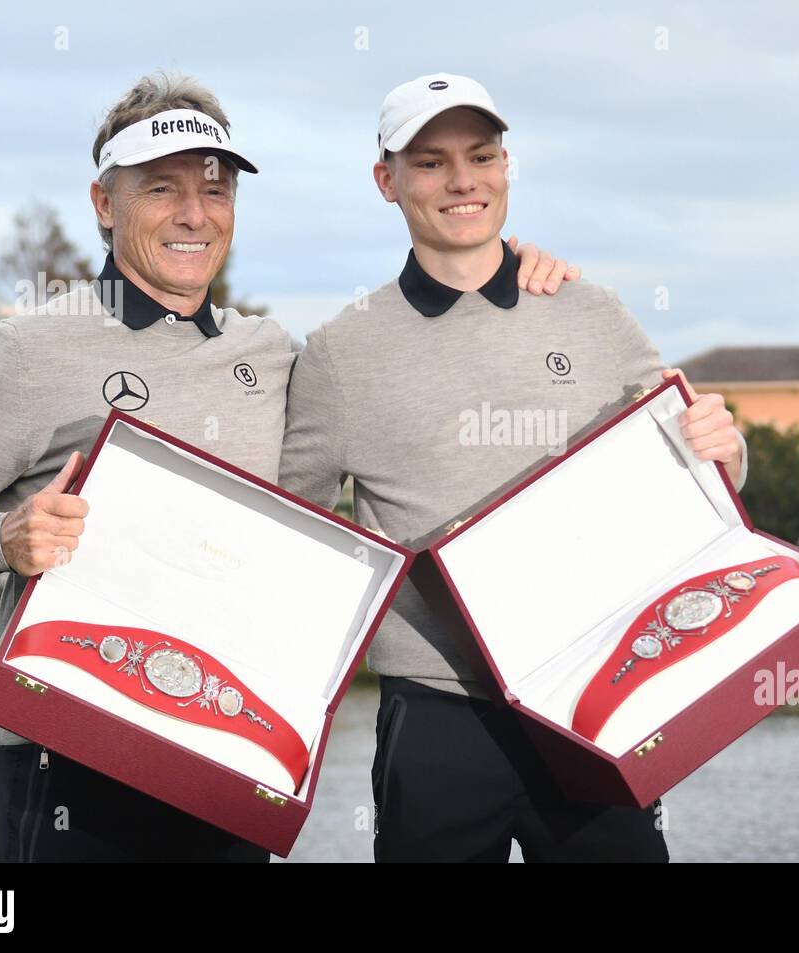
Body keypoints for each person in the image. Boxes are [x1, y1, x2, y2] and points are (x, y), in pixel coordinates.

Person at [0, 70, 571, 862]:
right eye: (161, 189)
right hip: (68, 763)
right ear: (105, 204)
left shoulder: (274, 356)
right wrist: (5, 536)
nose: (194, 214)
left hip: (229, 756)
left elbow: (421, 402)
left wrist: (509, 276)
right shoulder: (27, 353)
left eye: (215, 189)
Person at [279, 74, 747, 862]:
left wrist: (729, 452)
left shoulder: (590, 310)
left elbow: (697, 475)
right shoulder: (338, 354)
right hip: (437, 715)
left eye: (482, 155)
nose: (463, 180)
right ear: (385, 181)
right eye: (430, 163)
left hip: (597, 697)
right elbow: (300, 540)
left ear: (506, 165)